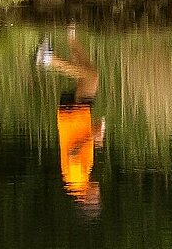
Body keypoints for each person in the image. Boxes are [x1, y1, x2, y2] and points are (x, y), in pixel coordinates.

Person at [37, 25, 106, 214]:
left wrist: (93, 135)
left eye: (96, 198)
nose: (99, 193)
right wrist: (95, 135)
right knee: (91, 74)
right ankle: (71, 36)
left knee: (89, 75)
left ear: (87, 199)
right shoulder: (80, 181)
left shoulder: (77, 180)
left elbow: (74, 153)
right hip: (78, 119)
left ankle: (50, 60)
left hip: (72, 118)